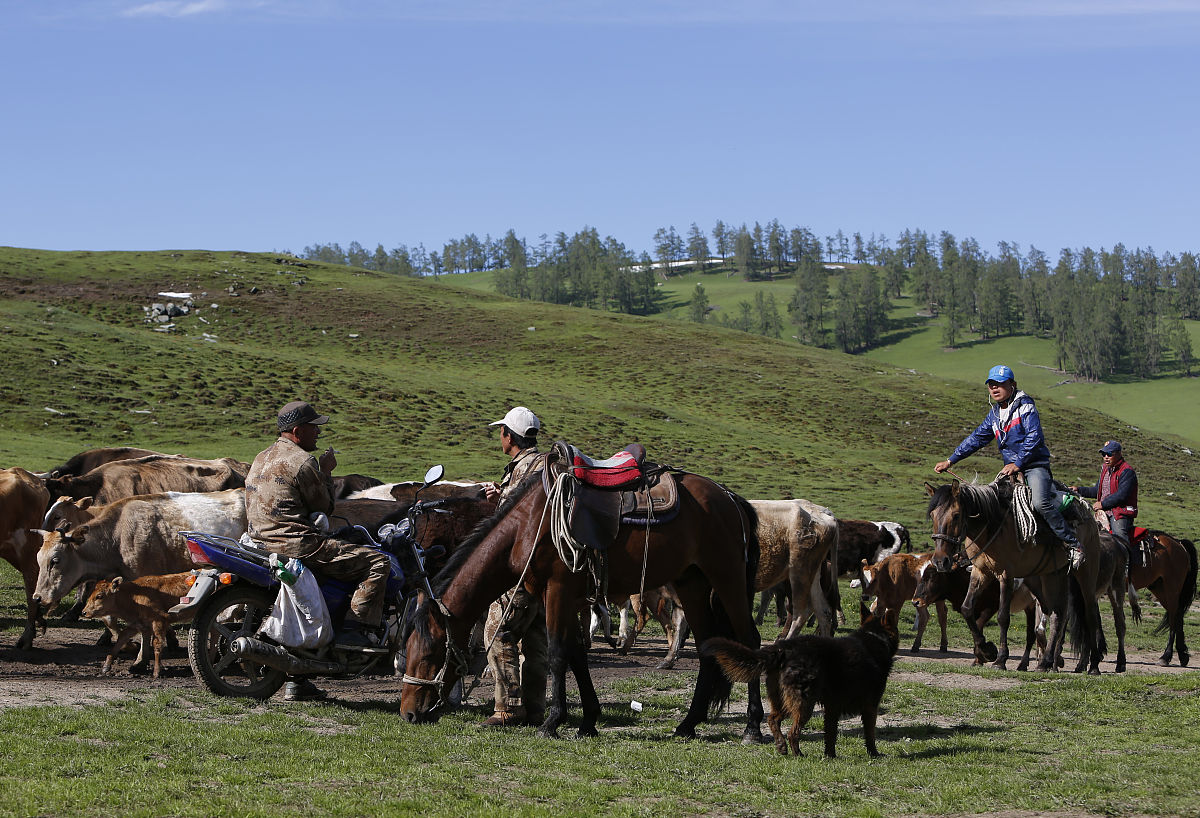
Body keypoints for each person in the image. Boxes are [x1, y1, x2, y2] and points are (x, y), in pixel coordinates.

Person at [244, 400, 392, 701]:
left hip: (259, 542)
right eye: (314, 428)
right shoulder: (302, 462)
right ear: (298, 431)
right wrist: (325, 471)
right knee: (378, 562)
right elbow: (324, 505)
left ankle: (298, 680)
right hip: (298, 545)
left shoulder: (261, 457)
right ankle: (353, 631)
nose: (318, 433)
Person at [934, 365, 1083, 570]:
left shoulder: (1025, 406)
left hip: (1034, 466)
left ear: (1012, 385)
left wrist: (1018, 463)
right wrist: (950, 461)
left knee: (1040, 502)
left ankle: (1072, 544)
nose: (995, 388)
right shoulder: (995, 414)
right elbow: (976, 439)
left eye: (1000, 384)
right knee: (990, 507)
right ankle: (980, 554)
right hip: (1009, 470)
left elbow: (1034, 437)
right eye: (991, 385)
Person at [479, 406, 548, 728]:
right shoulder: (543, 464)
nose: (500, 437)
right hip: (544, 569)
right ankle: (535, 708)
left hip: (522, 567)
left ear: (509, 435)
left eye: (501, 432)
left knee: (497, 631)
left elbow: (517, 521)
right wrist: (502, 495)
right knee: (536, 639)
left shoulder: (523, 468)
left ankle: (508, 708)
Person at [1071, 440, 1139, 563]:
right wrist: (1079, 490)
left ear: (1118, 454)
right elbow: (1098, 491)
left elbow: (1122, 495)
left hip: (1120, 512)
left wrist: (1103, 504)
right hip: (1104, 512)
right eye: (1104, 454)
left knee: (1119, 536)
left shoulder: (1127, 471)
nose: (1106, 457)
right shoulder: (1105, 470)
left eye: (1109, 454)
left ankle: (1127, 564)